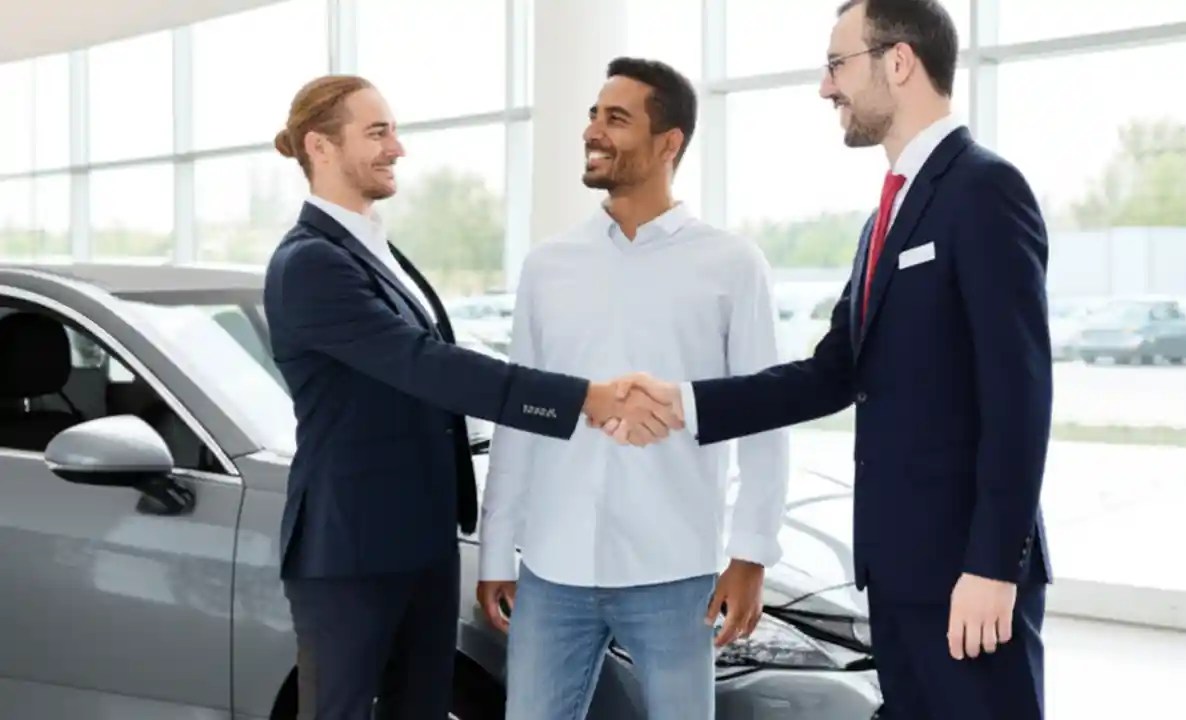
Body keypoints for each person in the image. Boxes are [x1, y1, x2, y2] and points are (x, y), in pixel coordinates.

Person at [605, 2, 1053, 718]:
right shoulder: (886, 216)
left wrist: (994, 566)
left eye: (837, 64)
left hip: (966, 576)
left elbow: (1020, 393)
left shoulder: (983, 190)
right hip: (899, 572)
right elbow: (833, 372)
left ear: (898, 62)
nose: (826, 88)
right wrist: (683, 403)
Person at [262, 74, 682, 720]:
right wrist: (582, 399)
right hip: (350, 551)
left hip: (420, 541)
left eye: (394, 132)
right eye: (377, 133)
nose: (396, 149)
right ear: (320, 147)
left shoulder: (374, 247)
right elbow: (428, 367)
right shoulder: (310, 263)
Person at [475, 57, 789, 720]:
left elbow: (765, 418)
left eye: (616, 118)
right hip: (553, 571)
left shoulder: (732, 265)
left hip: (675, 572)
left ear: (668, 142)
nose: (593, 130)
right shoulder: (548, 265)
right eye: (593, 114)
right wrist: (496, 548)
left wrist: (752, 554)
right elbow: (520, 413)